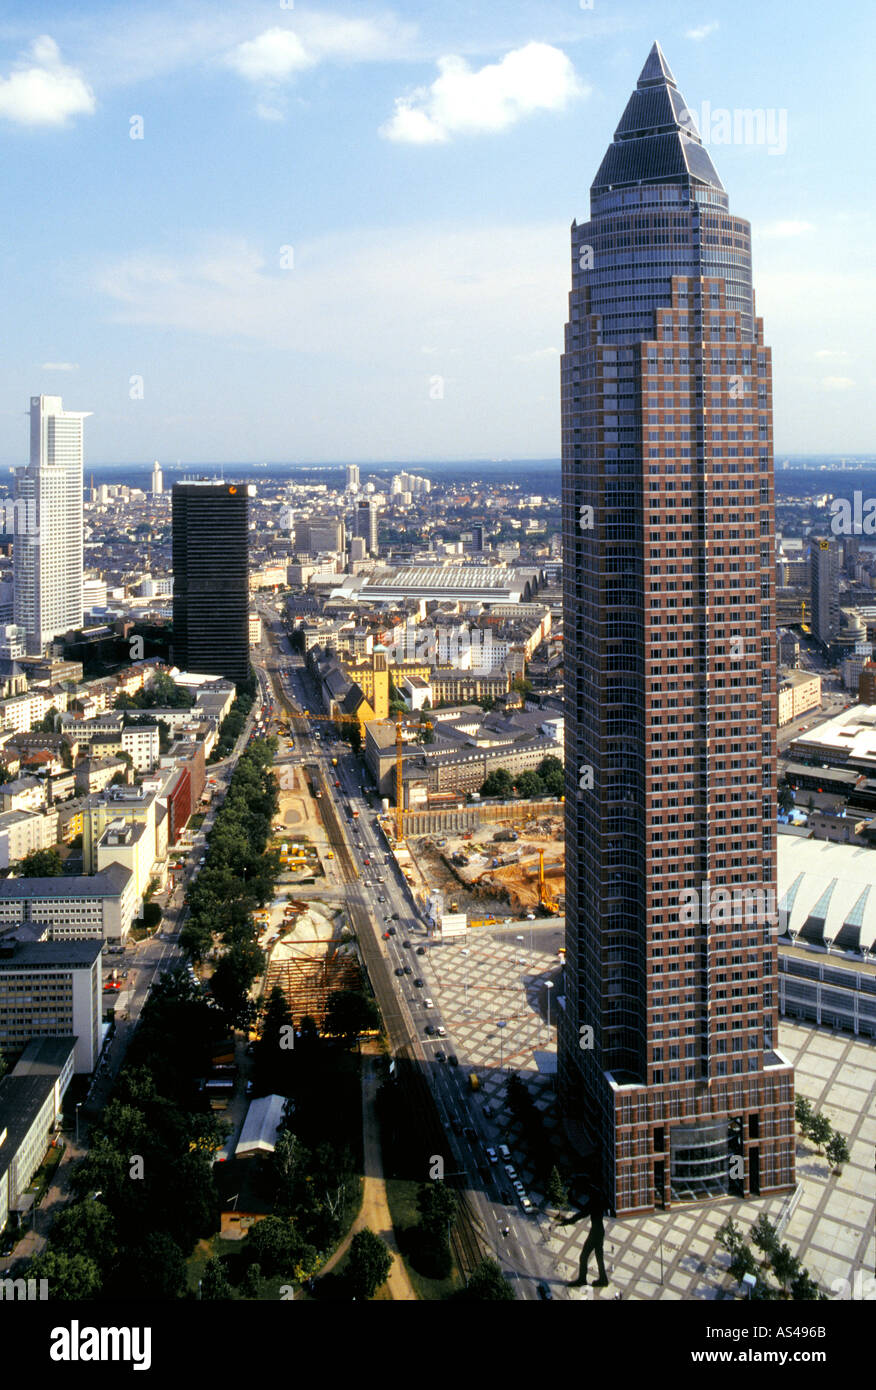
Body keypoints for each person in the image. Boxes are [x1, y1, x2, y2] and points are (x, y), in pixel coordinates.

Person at [559, 1185, 609, 1287]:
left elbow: (582, 1213)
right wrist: (572, 1201)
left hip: (595, 1232)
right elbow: (584, 1209)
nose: (588, 1195)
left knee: (584, 1256)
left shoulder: (594, 1202)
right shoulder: (599, 1200)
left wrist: (568, 1221)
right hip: (599, 1231)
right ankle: (603, 1279)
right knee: (599, 1257)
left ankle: (582, 1279)